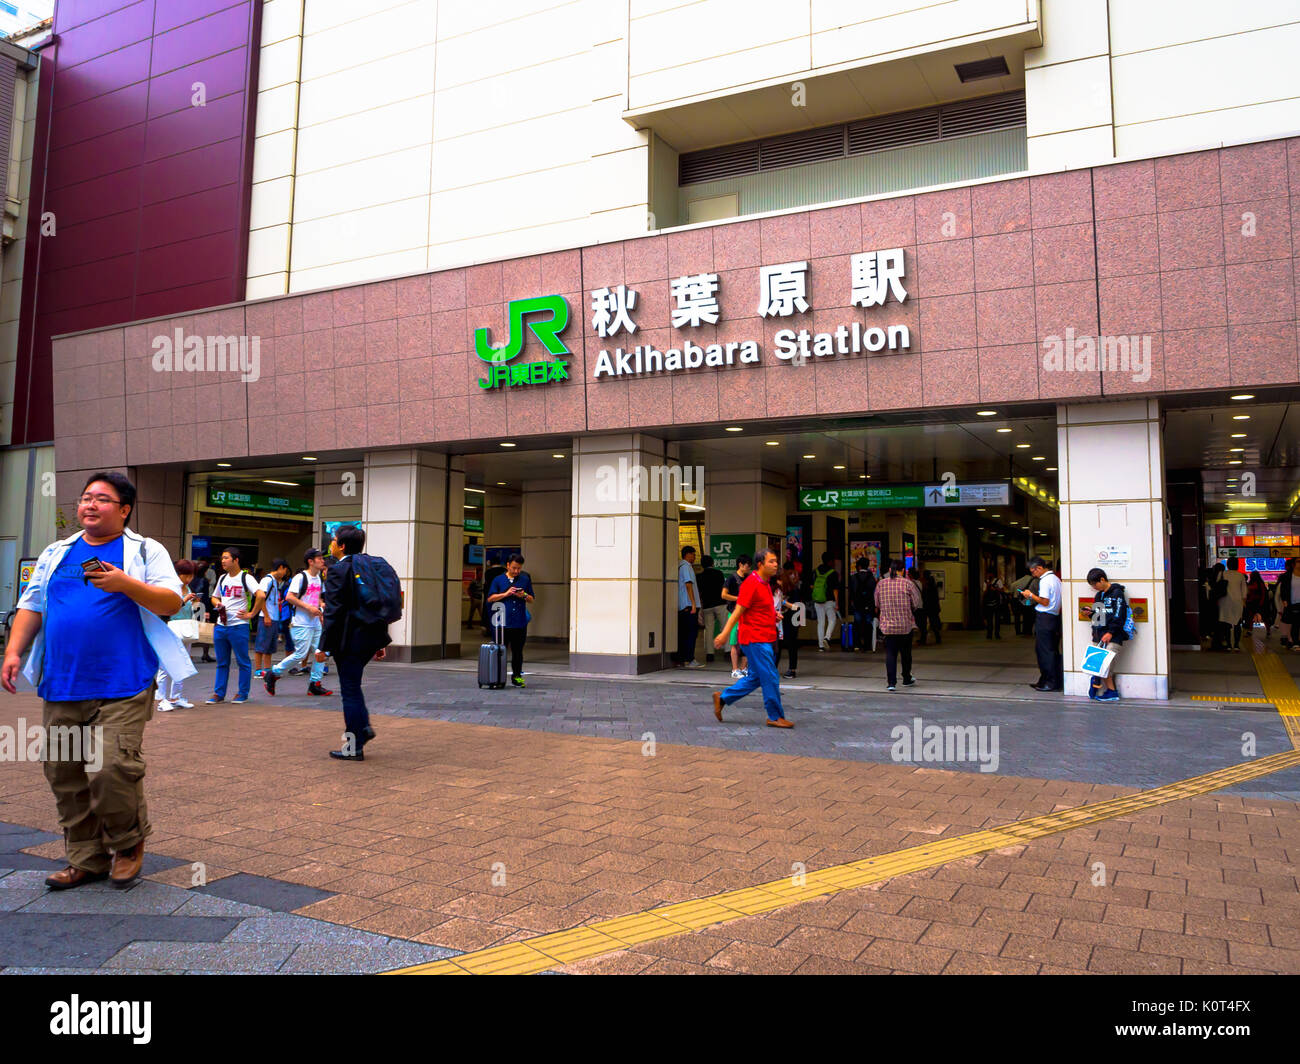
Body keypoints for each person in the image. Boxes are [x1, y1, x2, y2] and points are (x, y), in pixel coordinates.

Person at [1, 471, 190, 890]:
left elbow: (172, 601)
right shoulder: (57, 552)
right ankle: (86, 858)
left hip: (124, 681)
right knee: (64, 772)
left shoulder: (144, 550)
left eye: (102, 499)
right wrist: (14, 651)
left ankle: (127, 843)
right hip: (62, 682)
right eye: (86, 498)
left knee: (110, 768)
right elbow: (32, 605)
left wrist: (126, 584)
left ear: (124, 509)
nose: (89, 505)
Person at [320, 523, 394, 761]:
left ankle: (355, 745)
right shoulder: (371, 565)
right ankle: (362, 729)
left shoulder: (339, 570)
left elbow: (333, 612)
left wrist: (323, 646)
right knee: (353, 686)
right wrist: (380, 641)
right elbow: (377, 605)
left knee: (349, 691)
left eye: (333, 540)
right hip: (369, 638)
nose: (330, 544)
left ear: (341, 546)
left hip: (349, 641)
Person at [711, 549, 792, 728]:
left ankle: (723, 698)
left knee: (756, 677)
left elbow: (758, 608)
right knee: (770, 676)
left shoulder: (765, 582)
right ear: (760, 564)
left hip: (764, 636)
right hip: (755, 639)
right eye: (771, 561)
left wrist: (774, 614)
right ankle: (774, 716)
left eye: (776, 561)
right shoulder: (751, 583)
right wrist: (724, 634)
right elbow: (738, 611)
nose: (775, 564)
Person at [264, 549, 332, 696]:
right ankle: (274, 673)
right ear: (310, 561)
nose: (322, 560)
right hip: (301, 623)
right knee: (301, 654)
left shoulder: (318, 578)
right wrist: (309, 608)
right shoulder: (300, 578)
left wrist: (320, 608)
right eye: (319, 558)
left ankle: (315, 684)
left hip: (315, 622)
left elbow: (316, 596)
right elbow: (289, 597)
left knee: (320, 652)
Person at [208, 547, 262, 704]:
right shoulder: (222, 578)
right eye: (222, 558)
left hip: (239, 625)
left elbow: (261, 595)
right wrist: (218, 603)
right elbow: (214, 596)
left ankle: (242, 693)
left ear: (236, 560)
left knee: (242, 661)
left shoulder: (246, 578)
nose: (223, 561)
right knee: (222, 662)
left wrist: (251, 614)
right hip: (221, 625)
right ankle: (218, 694)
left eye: (226, 558)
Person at [157, 559, 202, 712]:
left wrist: (197, 604)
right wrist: (184, 601)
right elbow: (167, 608)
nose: (189, 579)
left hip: (185, 629)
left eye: (191, 576)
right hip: (170, 628)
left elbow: (191, 609)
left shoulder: (188, 588)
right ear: (178, 574)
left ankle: (176, 697)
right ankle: (161, 699)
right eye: (186, 575)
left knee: (182, 663)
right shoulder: (171, 588)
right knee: (165, 665)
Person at [486, 553, 534, 687]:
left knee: (518, 652)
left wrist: (523, 595)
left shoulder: (524, 579)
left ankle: (517, 677)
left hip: (519, 622)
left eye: (519, 568)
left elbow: (531, 599)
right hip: (502, 623)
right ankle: (498, 679)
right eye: (514, 568)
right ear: (507, 565)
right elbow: (490, 598)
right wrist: (505, 594)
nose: (516, 571)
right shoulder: (498, 580)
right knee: (500, 651)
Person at [874, 558, 921, 691]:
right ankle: (906, 678)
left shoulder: (881, 584)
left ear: (890, 570)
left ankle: (891, 683)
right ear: (903, 571)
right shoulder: (908, 584)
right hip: (905, 625)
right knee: (906, 653)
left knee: (891, 654)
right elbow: (916, 603)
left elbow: (877, 604)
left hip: (888, 626)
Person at [1086, 568, 1128, 701]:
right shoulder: (1099, 596)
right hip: (1099, 635)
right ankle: (1110, 690)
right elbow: (1099, 617)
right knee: (1098, 663)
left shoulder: (1117, 593)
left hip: (1113, 636)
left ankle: (1103, 686)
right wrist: (1090, 614)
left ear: (1102, 579)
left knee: (1106, 664)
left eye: (1095, 584)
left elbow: (1119, 615)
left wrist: (1111, 632)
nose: (1094, 587)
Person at [1021, 555, 1062, 691]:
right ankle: (1048, 680)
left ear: (1039, 568)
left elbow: (1045, 601)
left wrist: (1030, 595)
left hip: (1045, 617)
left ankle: (1049, 682)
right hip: (1054, 617)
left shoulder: (1045, 581)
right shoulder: (1056, 579)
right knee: (1051, 650)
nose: (1033, 574)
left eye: (1033, 571)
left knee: (1044, 651)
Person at [253, 558, 288, 678]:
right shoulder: (266, 580)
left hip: (273, 617)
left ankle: (267, 669)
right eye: (284, 570)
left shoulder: (274, 581)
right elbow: (260, 598)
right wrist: (266, 615)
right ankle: (258, 670)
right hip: (266, 617)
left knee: (270, 646)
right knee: (261, 645)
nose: (284, 573)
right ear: (280, 568)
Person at [774, 564, 806, 678]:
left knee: (791, 643)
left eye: (778, 580)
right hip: (781, 619)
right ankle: (774, 669)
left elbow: (797, 607)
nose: (777, 583)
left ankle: (792, 669)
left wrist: (783, 602)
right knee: (778, 643)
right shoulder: (777, 589)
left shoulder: (792, 590)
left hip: (792, 619)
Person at [721, 555, 750, 678]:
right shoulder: (732, 578)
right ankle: (734, 669)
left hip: (747, 615)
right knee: (734, 643)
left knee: (747, 642)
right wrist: (739, 599)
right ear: (741, 565)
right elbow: (724, 595)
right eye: (747, 565)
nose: (749, 568)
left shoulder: (749, 578)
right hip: (734, 613)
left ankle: (744, 668)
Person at [674, 546, 702, 668]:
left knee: (683, 634)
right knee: (691, 634)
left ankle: (682, 659)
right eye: (693, 554)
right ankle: (690, 659)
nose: (694, 557)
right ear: (687, 554)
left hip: (683, 607)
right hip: (689, 606)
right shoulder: (686, 567)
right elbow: (688, 585)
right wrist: (694, 604)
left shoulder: (680, 566)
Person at [696, 555, 728, 664]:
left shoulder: (699, 576)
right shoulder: (718, 573)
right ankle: (728, 651)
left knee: (709, 630)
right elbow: (723, 588)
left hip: (707, 605)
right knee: (724, 627)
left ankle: (710, 654)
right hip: (720, 604)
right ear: (713, 563)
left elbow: (699, 592)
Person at [810, 551, 841, 651]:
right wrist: (837, 602)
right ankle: (827, 638)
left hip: (817, 600)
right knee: (832, 620)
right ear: (830, 561)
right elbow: (835, 589)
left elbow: (811, 586)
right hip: (829, 600)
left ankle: (821, 646)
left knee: (821, 622)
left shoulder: (816, 571)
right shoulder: (833, 573)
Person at [1214, 562, 1247, 652]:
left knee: (1226, 624)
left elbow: (1217, 586)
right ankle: (1236, 645)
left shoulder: (1222, 573)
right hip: (1237, 602)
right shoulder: (1241, 575)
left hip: (1224, 601)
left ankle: (1228, 645)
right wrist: (1244, 603)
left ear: (1228, 565)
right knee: (1237, 624)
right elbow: (1244, 591)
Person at [847, 556, 877, 652]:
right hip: (869, 604)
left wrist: (852, 602)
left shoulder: (853, 577)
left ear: (859, 566)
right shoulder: (872, 578)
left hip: (857, 604)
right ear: (867, 566)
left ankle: (857, 644)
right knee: (868, 624)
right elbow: (874, 592)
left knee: (857, 624)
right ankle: (867, 645)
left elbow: (851, 592)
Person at [188, 559, 215, 661]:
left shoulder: (190, 579)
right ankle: (205, 654)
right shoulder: (204, 581)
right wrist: (207, 611)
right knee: (205, 631)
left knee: (189, 629)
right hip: (201, 607)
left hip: (190, 606)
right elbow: (206, 597)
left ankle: (188, 653)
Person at [919, 570, 941, 645]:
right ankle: (938, 637)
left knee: (924, 624)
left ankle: (923, 639)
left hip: (927, 607)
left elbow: (925, 596)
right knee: (933, 623)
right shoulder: (933, 584)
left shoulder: (927, 584)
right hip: (933, 607)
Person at [982, 570, 1005, 640]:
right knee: (989, 619)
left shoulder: (998, 581)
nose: (989, 575)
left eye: (990, 574)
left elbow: (1002, 590)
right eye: (988, 574)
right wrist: (987, 587)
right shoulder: (986, 582)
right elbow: (984, 593)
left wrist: (995, 589)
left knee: (997, 619)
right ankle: (989, 634)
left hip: (997, 603)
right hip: (988, 603)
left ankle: (997, 634)